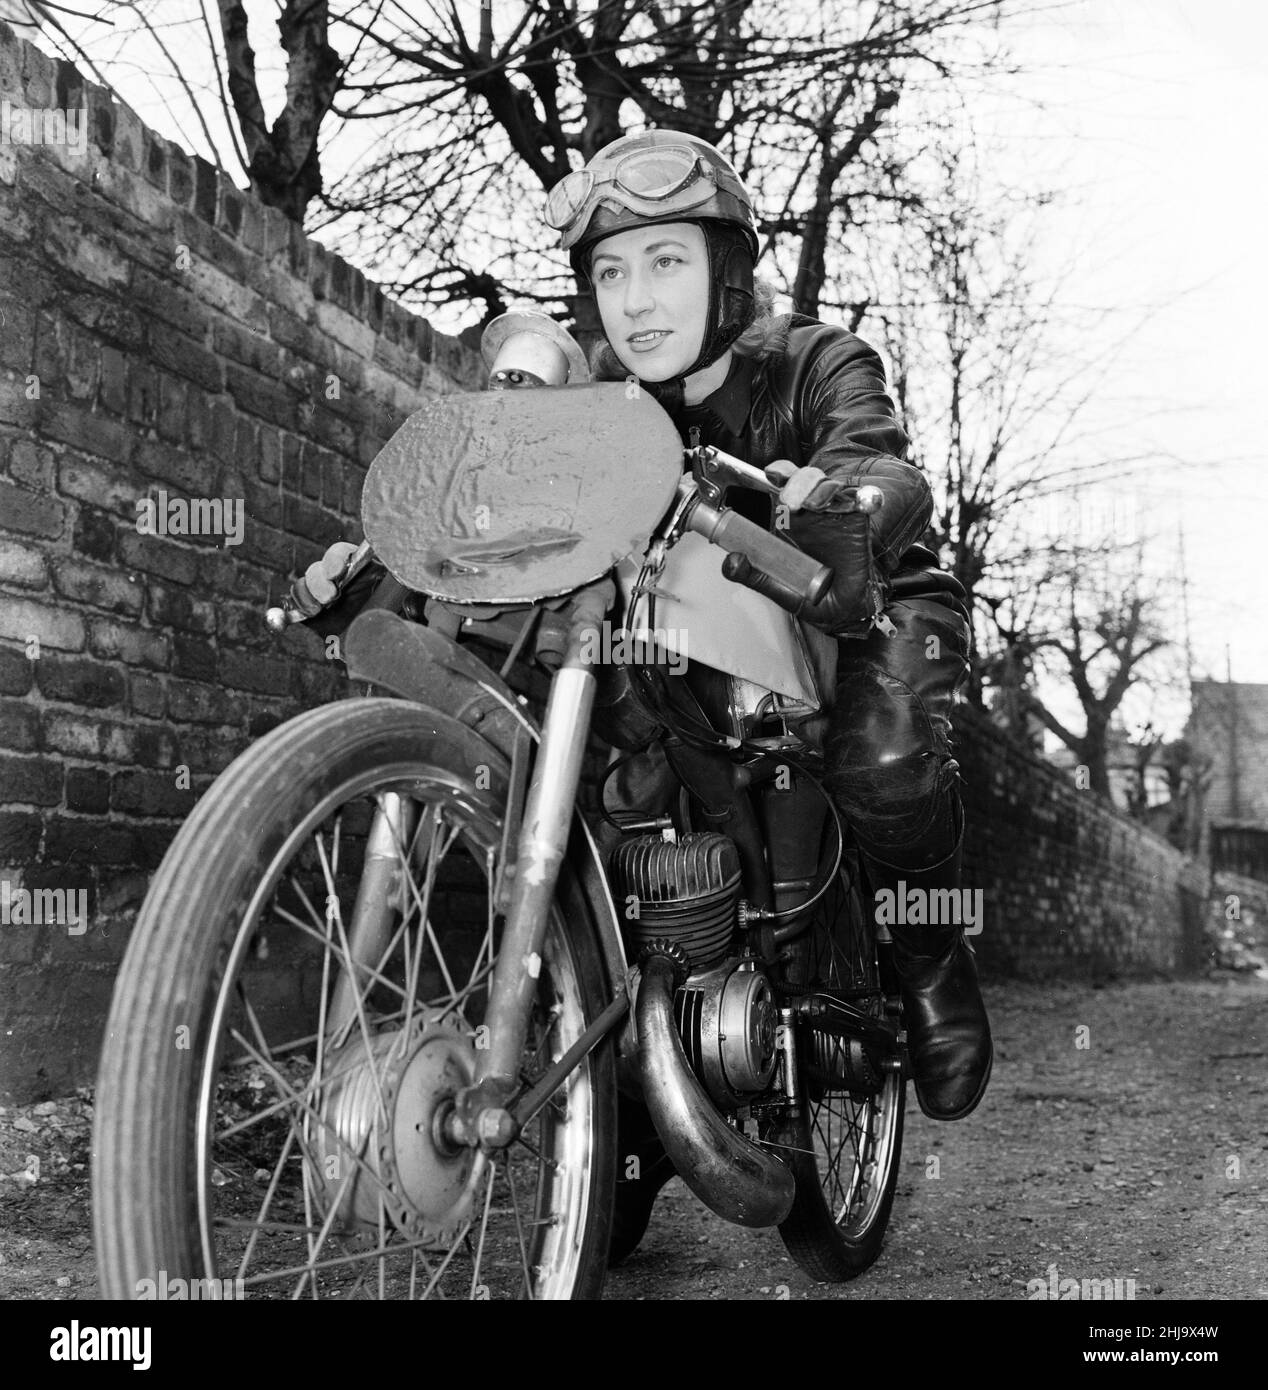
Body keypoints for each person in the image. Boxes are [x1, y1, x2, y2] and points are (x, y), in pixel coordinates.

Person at [544, 130, 993, 1261]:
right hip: (677, 621)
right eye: (610, 272)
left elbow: (882, 460)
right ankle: (630, 1121)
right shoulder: (597, 406)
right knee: (610, 799)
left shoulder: (814, 357)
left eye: (664, 264)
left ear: (725, 271)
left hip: (864, 596)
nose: (634, 301)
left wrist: (845, 493)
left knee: (884, 762)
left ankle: (929, 956)